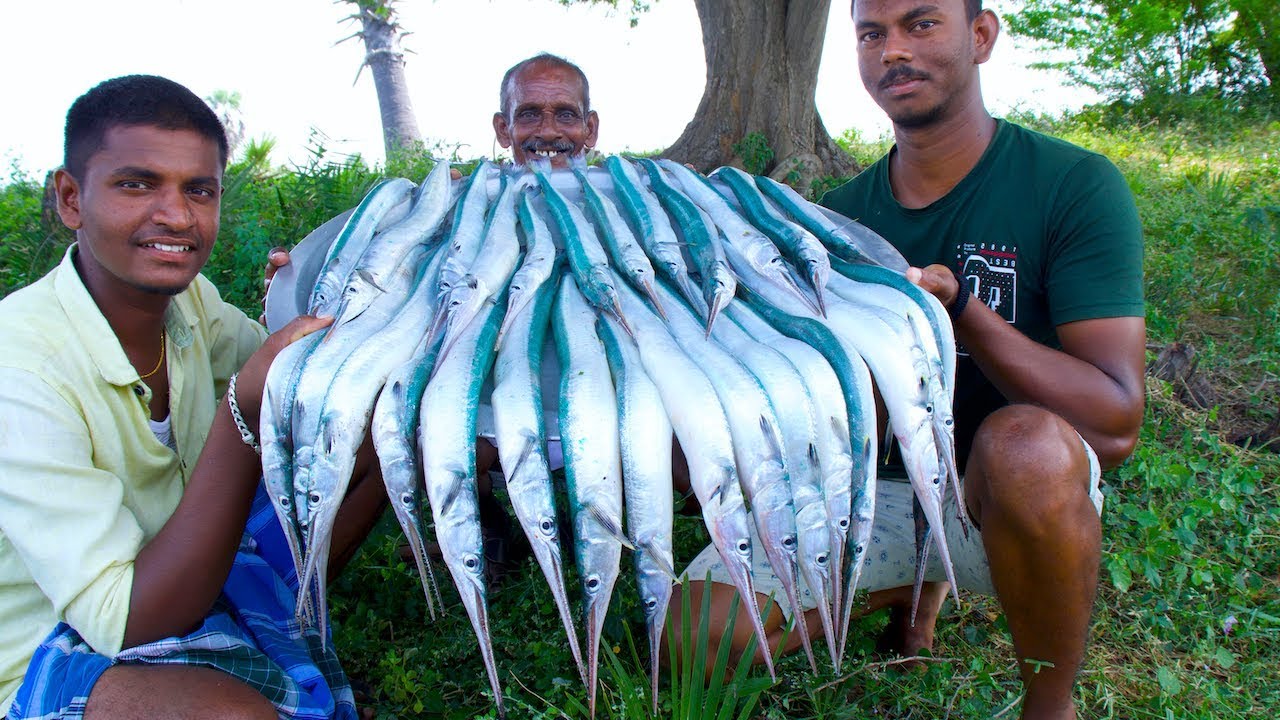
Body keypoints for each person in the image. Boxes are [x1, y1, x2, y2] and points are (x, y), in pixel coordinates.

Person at [671, 1, 1146, 718]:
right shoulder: (832, 219)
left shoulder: (1072, 183)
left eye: (920, 24)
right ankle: (904, 585)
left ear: (981, 37)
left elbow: (1114, 424)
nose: (892, 50)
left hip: (1006, 497)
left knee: (1025, 445)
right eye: (871, 34)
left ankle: (1050, 706)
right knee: (697, 644)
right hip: (874, 491)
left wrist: (961, 313)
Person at [0, 75, 388, 719]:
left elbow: (301, 379)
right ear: (70, 198)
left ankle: (282, 617)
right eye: (136, 184)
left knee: (373, 432)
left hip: (164, 572)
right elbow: (123, 624)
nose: (176, 216)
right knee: (231, 716)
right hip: (57, 638)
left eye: (198, 190)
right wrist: (242, 414)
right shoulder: (20, 367)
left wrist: (322, 292)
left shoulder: (190, 303)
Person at [493, 52, 600, 168]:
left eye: (566, 116)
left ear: (590, 129)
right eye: (528, 115)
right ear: (503, 130)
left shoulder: (611, 185)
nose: (548, 133)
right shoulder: (482, 186)